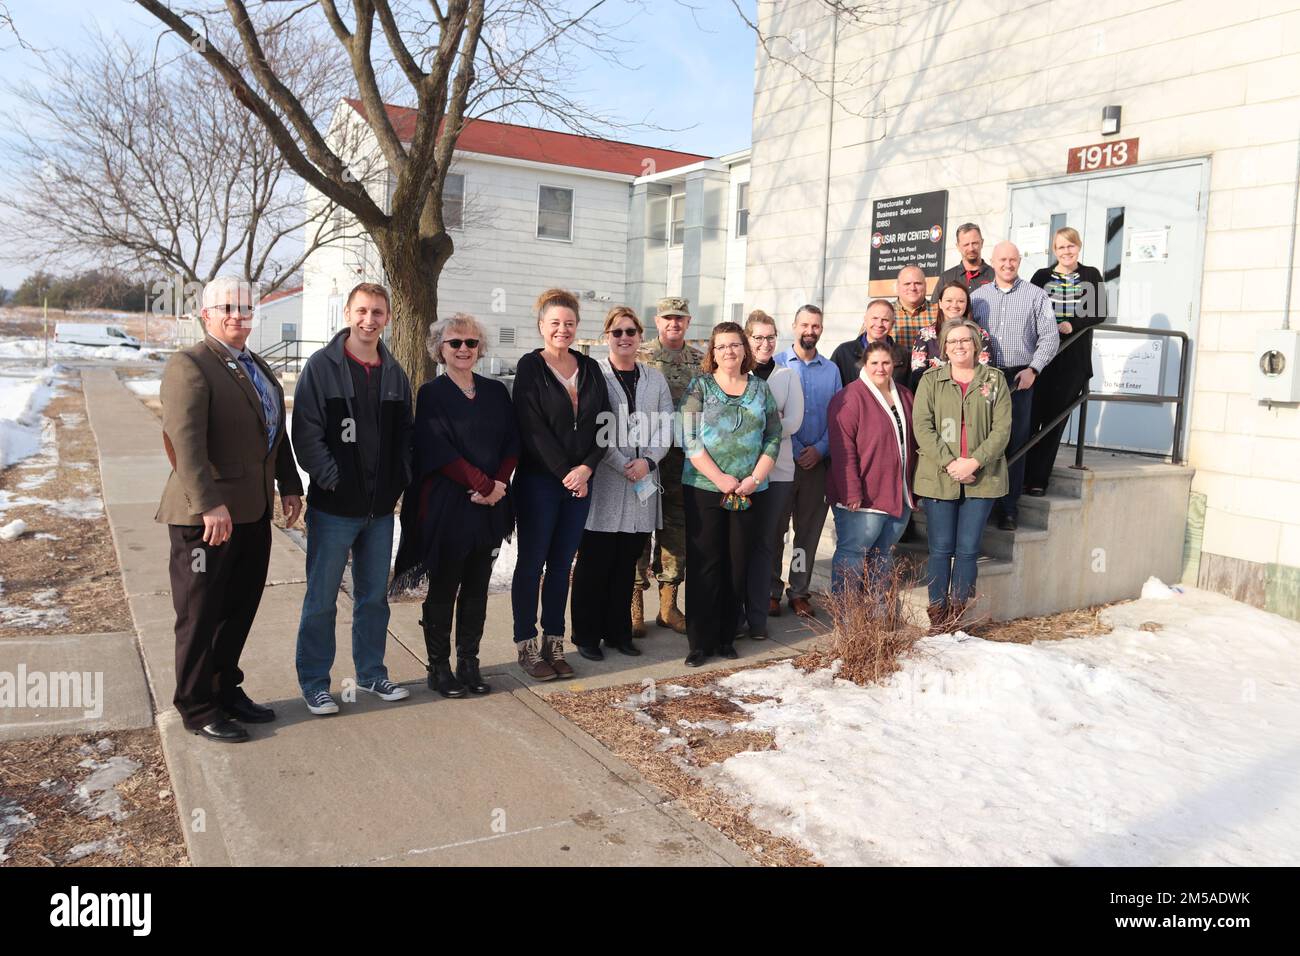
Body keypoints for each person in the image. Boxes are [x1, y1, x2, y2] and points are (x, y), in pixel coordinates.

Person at [156, 276, 303, 743]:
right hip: (207, 518)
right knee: (200, 614)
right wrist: (208, 505)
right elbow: (185, 443)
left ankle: (226, 689)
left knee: (238, 608)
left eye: (244, 308)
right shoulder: (191, 365)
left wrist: (290, 484)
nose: (237, 316)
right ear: (206, 315)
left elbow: (273, 435)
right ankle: (198, 706)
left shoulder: (256, 365)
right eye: (226, 309)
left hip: (253, 512)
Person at [292, 282, 414, 715]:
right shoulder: (321, 367)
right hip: (333, 509)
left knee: (373, 598)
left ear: (387, 318)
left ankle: (372, 673)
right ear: (347, 313)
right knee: (322, 598)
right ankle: (314, 682)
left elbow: (404, 439)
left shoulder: (394, 372)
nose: (369, 320)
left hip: (380, 512)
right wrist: (332, 479)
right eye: (362, 310)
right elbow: (305, 434)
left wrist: (397, 482)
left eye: (378, 312)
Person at [391, 314, 517, 698]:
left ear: (480, 348)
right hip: (450, 506)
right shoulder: (432, 393)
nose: (464, 349)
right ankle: (438, 668)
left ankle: (469, 664)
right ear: (439, 349)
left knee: (478, 587)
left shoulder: (496, 392)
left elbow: (513, 441)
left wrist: (497, 485)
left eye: (471, 343)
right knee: (445, 587)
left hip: (491, 505)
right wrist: (480, 483)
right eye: (455, 343)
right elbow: (436, 447)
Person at [511, 288, 611, 681]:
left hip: (580, 485)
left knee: (561, 567)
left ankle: (555, 641)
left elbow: (605, 423)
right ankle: (527, 644)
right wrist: (565, 473)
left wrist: (586, 469)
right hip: (539, 482)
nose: (562, 329)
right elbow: (530, 427)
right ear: (541, 326)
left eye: (569, 323)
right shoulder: (530, 366)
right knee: (532, 564)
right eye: (555, 323)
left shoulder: (588, 367)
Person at [570, 306, 674, 660]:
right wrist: (620, 463)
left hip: (644, 483)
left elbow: (666, 424)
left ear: (640, 336)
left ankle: (618, 632)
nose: (625, 338)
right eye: (617, 332)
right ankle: (586, 635)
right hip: (606, 482)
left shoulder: (654, 379)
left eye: (631, 331)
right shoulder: (594, 373)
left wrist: (648, 461)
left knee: (627, 565)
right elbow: (590, 425)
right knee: (594, 564)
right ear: (606, 337)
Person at [679, 322, 781, 666]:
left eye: (735, 345)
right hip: (706, 488)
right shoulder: (700, 387)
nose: (729, 352)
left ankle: (726, 637)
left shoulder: (760, 389)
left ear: (744, 349)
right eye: (721, 346)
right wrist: (720, 477)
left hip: (750, 490)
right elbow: (690, 439)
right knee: (705, 563)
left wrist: (754, 477)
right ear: (712, 351)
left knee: (737, 563)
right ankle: (699, 641)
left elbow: (773, 437)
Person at [912, 317, 1012, 633]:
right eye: (953, 341)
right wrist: (951, 463)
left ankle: (957, 616)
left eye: (965, 341)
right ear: (944, 347)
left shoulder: (994, 380)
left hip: (982, 478)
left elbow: (1002, 429)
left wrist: (974, 462)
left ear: (976, 345)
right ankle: (938, 616)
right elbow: (922, 426)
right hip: (940, 477)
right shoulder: (931, 380)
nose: (959, 346)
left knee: (968, 549)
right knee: (941, 549)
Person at [970, 242, 1059, 531]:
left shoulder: (1037, 295)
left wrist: (1034, 369)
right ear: (992, 262)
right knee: (983, 440)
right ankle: (983, 503)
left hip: (1020, 378)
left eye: (1013, 259)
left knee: (1016, 442)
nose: (1008, 264)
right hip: (985, 377)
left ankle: (1009, 508)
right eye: (1002, 259)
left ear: (1019, 261)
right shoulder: (978, 297)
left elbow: (1049, 336)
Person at [826, 340, 917, 597]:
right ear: (864, 365)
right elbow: (842, 449)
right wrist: (851, 491)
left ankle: (875, 621)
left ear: (894, 365)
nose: (880, 368)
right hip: (863, 495)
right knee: (852, 556)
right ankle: (848, 622)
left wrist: (914, 488)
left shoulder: (905, 396)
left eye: (886, 362)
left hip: (897, 492)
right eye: (874, 363)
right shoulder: (848, 398)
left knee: (882, 556)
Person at [634, 296, 703, 636]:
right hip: (645, 455)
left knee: (676, 526)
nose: (673, 323)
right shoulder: (639, 354)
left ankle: (668, 604)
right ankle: (634, 603)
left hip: (681, 458)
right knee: (639, 524)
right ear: (657, 322)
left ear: (688, 322)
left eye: (680, 318)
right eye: (667, 318)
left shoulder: (702, 361)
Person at [1026, 227, 1107, 495]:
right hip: (1042, 356)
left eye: (1070, 246)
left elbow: (1099, 312)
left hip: (1072, 359)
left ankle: (1038, 480)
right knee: (1031, 418)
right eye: (1061, 247)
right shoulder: (1041, 276)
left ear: (1079, 247)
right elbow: (1029, 309)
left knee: (1053, 421)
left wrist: (1074, 324)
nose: (1066, 251)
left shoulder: (1090, 275)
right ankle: (1019, 476)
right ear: (1054, 250)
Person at [772, 304, 841, 618]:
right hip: (781, 463)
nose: (809, 331)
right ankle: (770, 589)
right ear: (794, 326)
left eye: (815, 326)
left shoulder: (831, 370)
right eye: (804, 325)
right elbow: (774, 415)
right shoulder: (776, 365)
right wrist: (799, 447)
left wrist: (821, 449)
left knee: (806, 534)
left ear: (821, 329)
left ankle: (798, 591)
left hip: (816, 465)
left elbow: (838, 415)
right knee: (774, 531)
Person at [742, 310, 803, 632]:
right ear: (747, 338)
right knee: (740, 540)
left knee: (768, 539)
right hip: (739, 472)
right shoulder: (738, 376)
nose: (765, 343)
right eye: (758, 337)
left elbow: (793, 422)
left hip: (777, 471)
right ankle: (738, 604)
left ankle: (761, 606)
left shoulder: (787, 375)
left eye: (770, 337)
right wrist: (771, 420)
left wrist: (751, 427)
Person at [909, 281, 992, 391]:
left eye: (961, 301)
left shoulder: (980, 334)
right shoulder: (925, 335)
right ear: (940, 303)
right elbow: (917, 375)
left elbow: (985, 372)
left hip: (971, 396)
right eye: (949, 300)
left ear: (967, 304)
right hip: (935, 396)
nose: (954, 305)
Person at [830, 299, 902, 387]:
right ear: (865, 320)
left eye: (885, 320)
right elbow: (831, 385)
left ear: (892, 324)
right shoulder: (844, 352)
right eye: (874, 318)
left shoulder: (902, 355)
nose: (879, 324)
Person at [931, 222, 995, 303]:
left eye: (975, 243)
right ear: (958, 246)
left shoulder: (994, 276)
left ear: (982, 243)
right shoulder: (946, 278)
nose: (971, 248)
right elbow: (935, 309)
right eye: (966, 244)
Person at [892, 264, 941, 356]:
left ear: (926, 286)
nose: (913, 288)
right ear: (897, 287)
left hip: (931, 369)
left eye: (918, 283)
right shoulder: (884, 313)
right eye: (907, 284)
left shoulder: (940, 311)